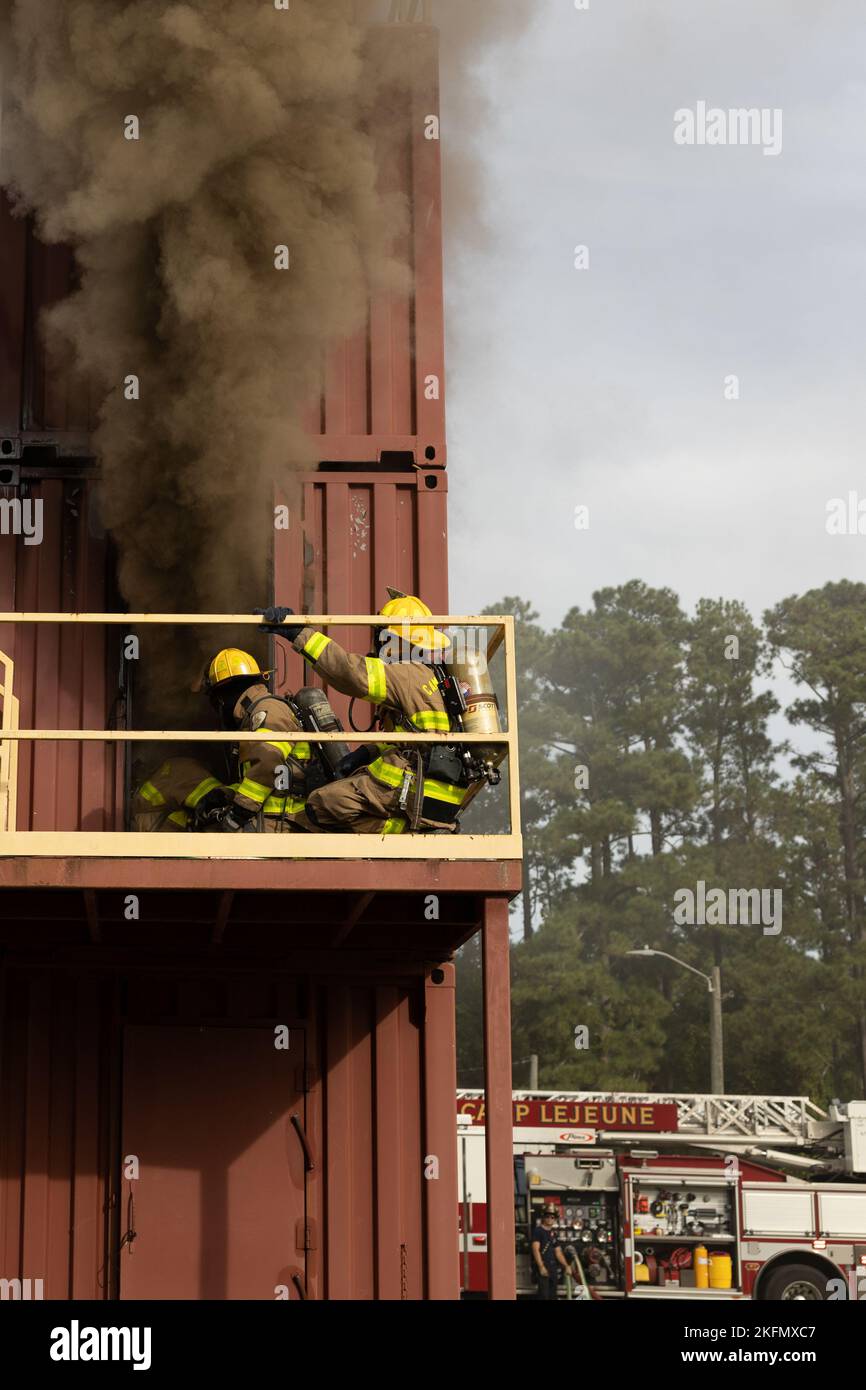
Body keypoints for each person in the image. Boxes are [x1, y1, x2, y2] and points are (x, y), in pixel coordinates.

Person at [257, 594, 470, 835]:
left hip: (412, 791)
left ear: (394, 638)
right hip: (439, 798)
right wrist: (365, 753)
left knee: (321, 805)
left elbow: (349, 672)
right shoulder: (434, 677)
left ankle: (403, 831)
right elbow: (417, 740)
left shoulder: (405, 673)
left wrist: (298, 633)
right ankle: (420, 827)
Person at [198, 648, 312, 833]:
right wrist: (226, 794)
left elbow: (268, 764)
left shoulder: (267, 710)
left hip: (284, 823)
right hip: (272, 819)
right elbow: (259, 777)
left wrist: (238, 813)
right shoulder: (253, 715)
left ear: (222, 697)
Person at [131, 757, 228, 832]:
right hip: (161, 847)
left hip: (189, 847)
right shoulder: (170, 771)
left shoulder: (175, 769)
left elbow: (217, 801)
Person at [531, 1206, 575, 1301]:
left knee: (552, 1295)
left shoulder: (553, 1234)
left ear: (555, 1219)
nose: (550, 1218)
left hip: (553, 1268)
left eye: (552, 1217)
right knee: (544, 1295)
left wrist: (566, 1266)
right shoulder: (538, 1231)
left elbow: (558, 1253)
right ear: (544, 1217)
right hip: (543, 1266)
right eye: (547, 1216)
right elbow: (535, 1249)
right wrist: (541, 1266)